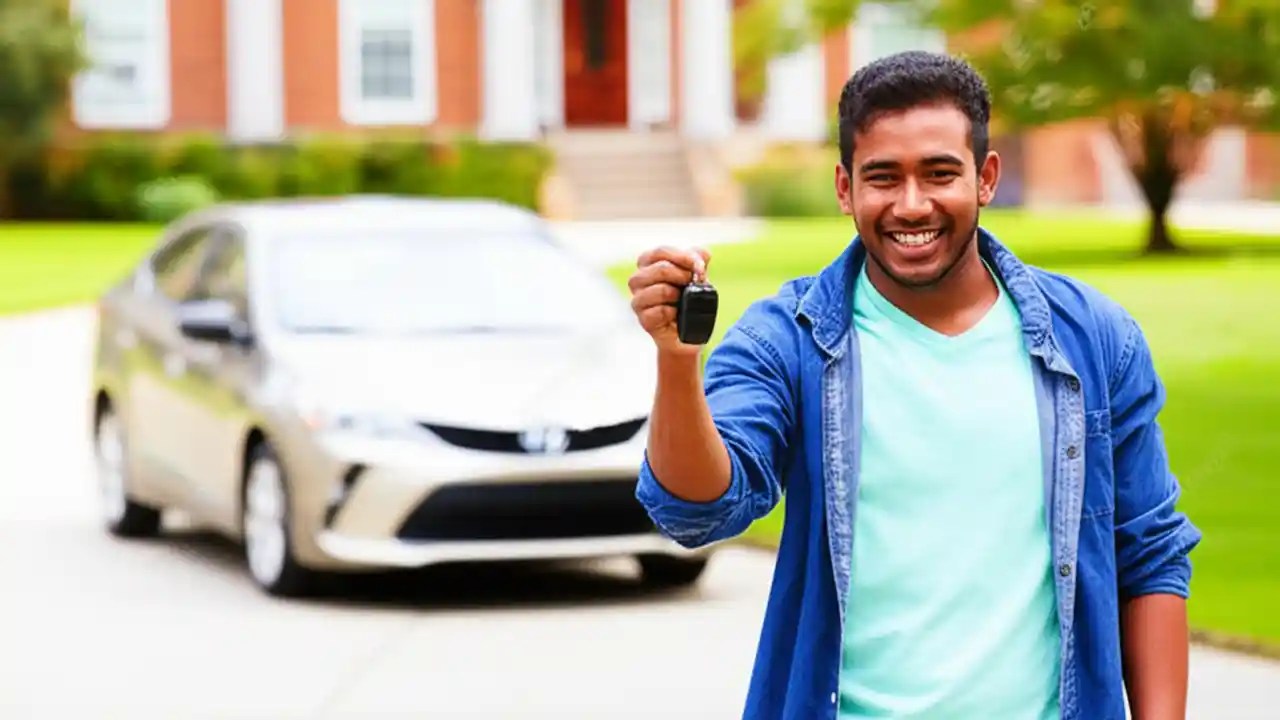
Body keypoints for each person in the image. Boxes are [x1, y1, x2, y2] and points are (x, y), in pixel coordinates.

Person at [627, 50, 1201, 720]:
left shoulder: (1096, 340)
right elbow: (696, 510)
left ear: (986, 177)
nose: (911, 205)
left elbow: (1151, 554)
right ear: (845, 188)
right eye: (882, 177)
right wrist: (676, 362)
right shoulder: (787, 341)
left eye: (938, 174)